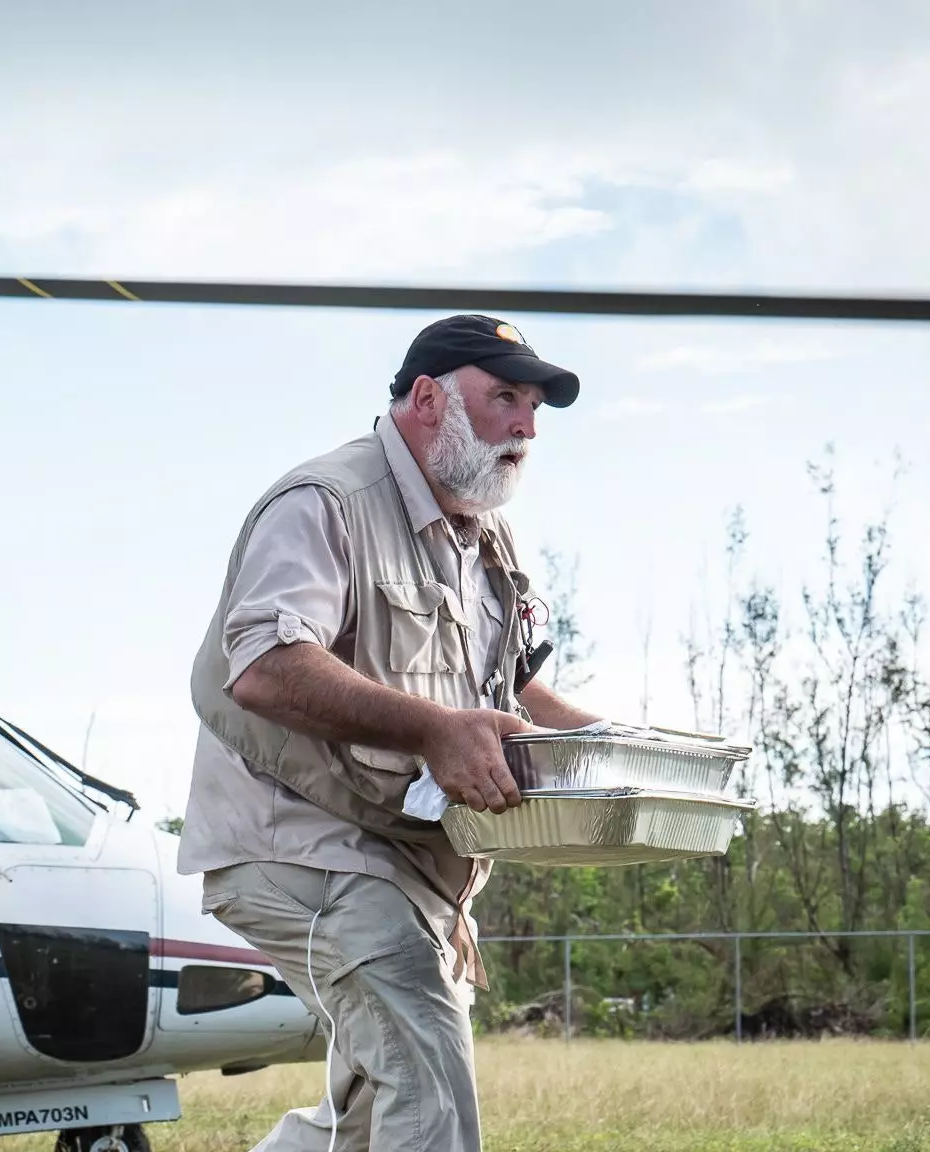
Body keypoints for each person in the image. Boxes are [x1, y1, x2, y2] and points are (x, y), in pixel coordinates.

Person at [180, 315, 606, 1151]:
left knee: (374, 1110)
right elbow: (264, 661)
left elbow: (510, 690)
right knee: (425, 1066)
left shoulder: (483, 537)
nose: (524, 427)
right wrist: (438, 731)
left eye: (533, 409)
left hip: (408, 864)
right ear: (426, 399)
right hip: (301, 846)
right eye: (505, 399)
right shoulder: (325, 502)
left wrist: (631, 747)